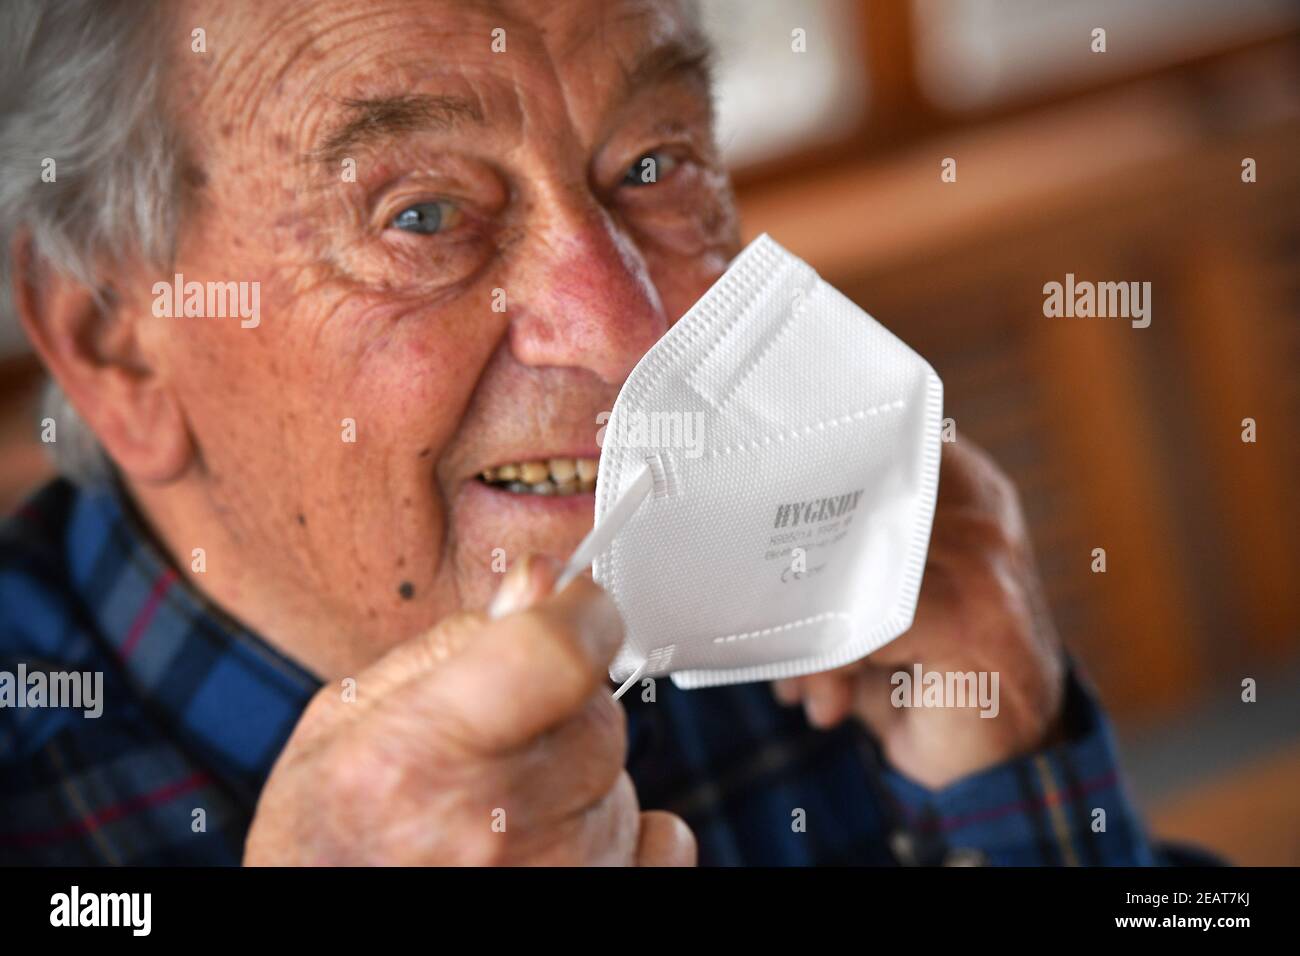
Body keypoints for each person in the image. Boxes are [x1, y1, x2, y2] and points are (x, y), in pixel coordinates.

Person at [0, 0, 1175, 865]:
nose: (625, 328)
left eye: (653, 163)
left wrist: (1009, 780)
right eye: (422, 215)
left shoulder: (793, 606)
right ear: (111, 342)